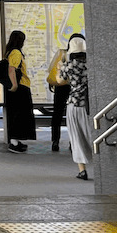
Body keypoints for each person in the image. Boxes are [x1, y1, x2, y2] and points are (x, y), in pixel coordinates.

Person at [59, 34, 93, 180]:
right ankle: (100, 165)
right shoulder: (91, 64)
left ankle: (82, 170)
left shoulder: (70, 65)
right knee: (92, 135)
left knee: (76, 137)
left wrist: (61, 66)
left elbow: (59, 80)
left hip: (74, 104)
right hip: (91, 105)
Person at [4, 30, 36, 153]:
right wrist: (15, 85)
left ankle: (16, 140)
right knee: (20, 115)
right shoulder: (16, 53)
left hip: (17, 88)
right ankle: (14, 142)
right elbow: (11, 69)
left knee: (16, 114)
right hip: (20, 88)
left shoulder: (9, 52)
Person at [46, 42, 71, 152]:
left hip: (60, 86)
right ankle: (73, 142)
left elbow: (52, 68)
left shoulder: (61, 53)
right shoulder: (80, 55)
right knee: (72, 116)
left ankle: (55, 141)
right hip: (73, 87)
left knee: (57, 114)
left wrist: (52, 82)